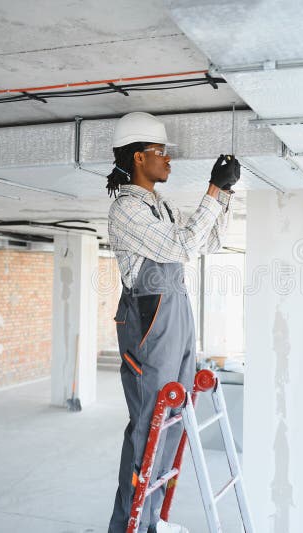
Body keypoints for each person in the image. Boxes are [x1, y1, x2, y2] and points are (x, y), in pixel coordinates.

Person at [105, 111, 240, 533]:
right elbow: (182, 246)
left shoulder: (159, 207)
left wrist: (226, 196)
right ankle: (133, 526)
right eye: (162, 153)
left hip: (174, 312)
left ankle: (151, 519)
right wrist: (213, 189)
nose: (168, 160)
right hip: (150, 319)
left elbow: (209, 239)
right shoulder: (127, 210)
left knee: (174, 416)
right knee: (149, 425)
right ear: (139, 158)